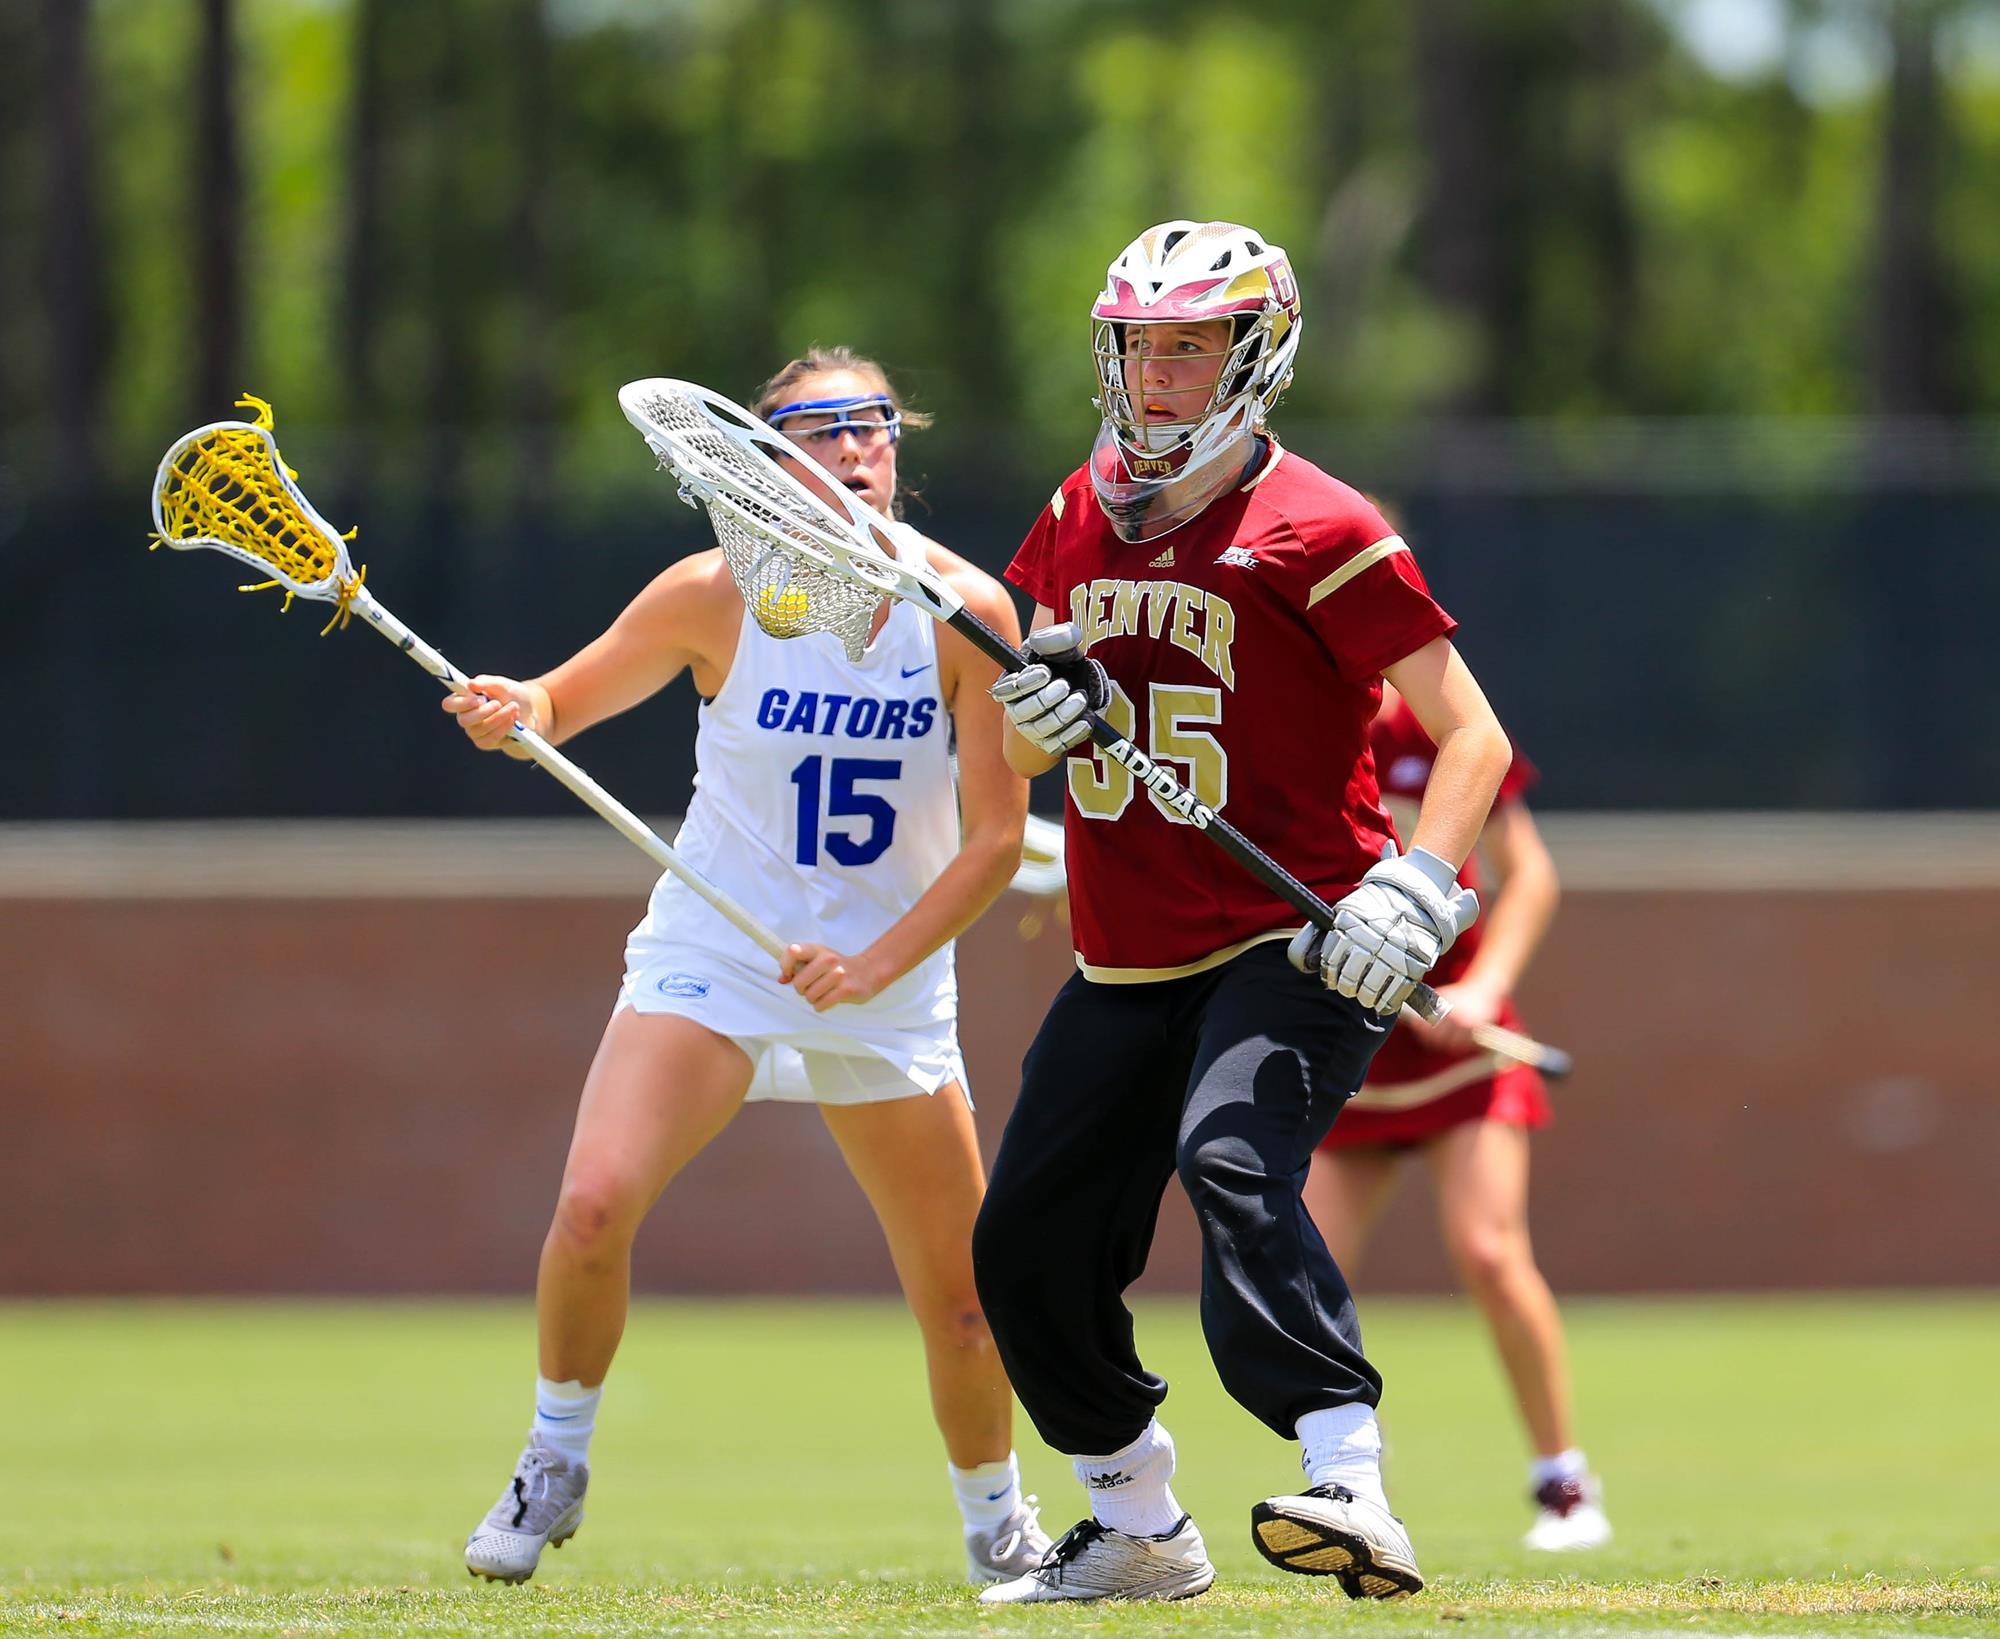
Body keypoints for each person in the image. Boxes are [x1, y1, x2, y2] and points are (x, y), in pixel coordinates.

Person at [970, 219, 1515, 1605]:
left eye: (1188, 344)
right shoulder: (1074, 511)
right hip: (1124, 952)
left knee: (1229, 1157)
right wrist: (1039, 718)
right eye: (1137, 344)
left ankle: (1349, 1481)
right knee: (1024, 1240)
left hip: (1297, 933)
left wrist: (1417, 885)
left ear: (1254, 354)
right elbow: (1028, 740)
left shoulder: (1321, 523)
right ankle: (1137, 1523)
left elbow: (1473, 738)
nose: (1155, 373)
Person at [445, 347, 1051, 1588]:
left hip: (883, 980)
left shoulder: (967, 612)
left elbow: (996, 840)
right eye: (822, 429)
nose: (856, 448)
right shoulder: (709, 594)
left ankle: (998, 1521)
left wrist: (873, 964)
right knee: (592, 1205)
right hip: (716, 954)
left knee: (963, 1300)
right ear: (760, 460)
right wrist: (519, 711)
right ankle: (553, 1458)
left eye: (873, 425)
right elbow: (558, 703)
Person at [1306, 687, 1612, 1551]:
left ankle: (1564, 1482)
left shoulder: (1435, 727)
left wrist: (1484, 986)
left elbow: (1530, 874)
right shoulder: (1296, 720)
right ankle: (1349, 1475)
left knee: (1488, 1250)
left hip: (1462, 1049)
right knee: (1307, 1274)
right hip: (1351, 1050)